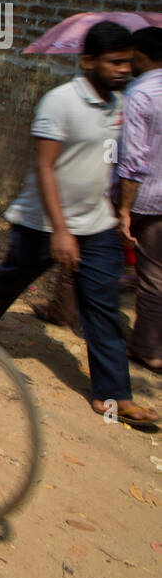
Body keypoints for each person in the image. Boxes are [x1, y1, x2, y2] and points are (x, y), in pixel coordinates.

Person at [0, 22, 157, 425]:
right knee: (10, 279)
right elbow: (45, 167)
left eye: (127, 62)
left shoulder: (118, 105)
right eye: (115, 62)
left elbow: (111, 163)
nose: (124, 69)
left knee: (101, 305)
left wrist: (120, 210)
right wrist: (62, 230)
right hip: (43, 222)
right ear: (88, 61)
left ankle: (114, 396)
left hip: (96, 223)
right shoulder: (59, 102)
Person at [119, 27, 162, 372]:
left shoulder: (139, 94)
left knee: (151, 276)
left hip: (144, 197)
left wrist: (123, 208)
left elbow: (133, 159)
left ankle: (146, 346)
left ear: (142, 56)